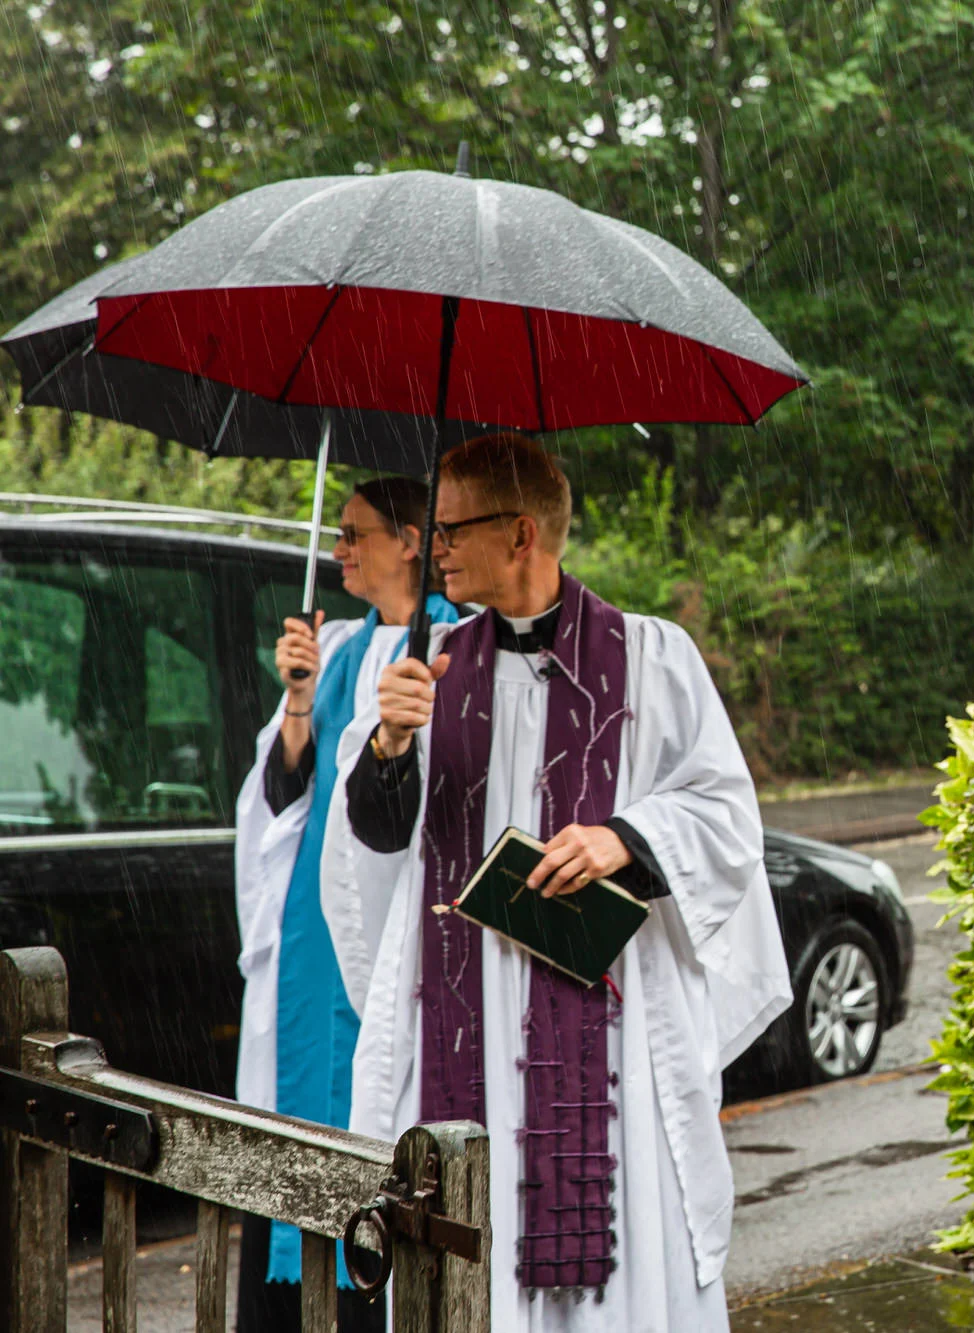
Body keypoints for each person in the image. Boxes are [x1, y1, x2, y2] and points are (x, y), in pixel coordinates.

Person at [318, 432, 789, 1330]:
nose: (435, 546)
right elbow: (371, 845)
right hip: (464, 1020)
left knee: (619, 1267)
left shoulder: (654, 658)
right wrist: (389, 743)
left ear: (523, 533)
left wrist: (626, 838)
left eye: (452, 529)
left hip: (608, 1039)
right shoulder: (419, 668)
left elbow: (727, 817)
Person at [233, 476, 459, 1331]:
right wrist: (297, 699)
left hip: (391, 928)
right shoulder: (336, 652)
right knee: (298, 1126)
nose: (339, 552)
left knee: (377, 1135)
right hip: (310, 938)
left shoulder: (453, 643)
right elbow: (284, 798)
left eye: (355, 534)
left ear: (410, 539)